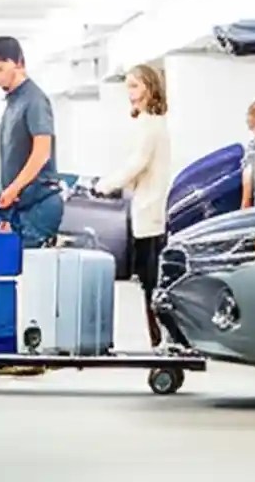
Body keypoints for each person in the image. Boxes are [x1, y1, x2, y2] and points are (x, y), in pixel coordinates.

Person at [94, 64, 172, 348]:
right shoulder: (151, 122)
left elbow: (136, 164)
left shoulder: (150, 123)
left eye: (135, 86)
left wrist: (105, 185)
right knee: (148, 281)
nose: (130, 93)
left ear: (150, 88)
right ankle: (158, 337)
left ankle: (160, 339)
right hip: (146, 206)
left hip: (148, 210)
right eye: (128, 87)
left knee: (150, 281)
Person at [0, 36, 64, 246]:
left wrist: (13, 189)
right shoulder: (13, 102)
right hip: (20, 205)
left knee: (28, 272)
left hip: (39, 205)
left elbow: (42, 152)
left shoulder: (35, 100)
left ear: (17, 62)